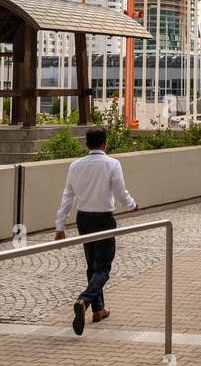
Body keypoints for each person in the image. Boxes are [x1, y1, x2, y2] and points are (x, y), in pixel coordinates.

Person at [54, 126, 138, 335]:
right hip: (103, 219)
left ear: (86, 143)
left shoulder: (75, 166)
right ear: (105, 143)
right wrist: (132, 205)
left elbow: (68, 196)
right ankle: (84, 299)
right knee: (103, 268)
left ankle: (98, 310)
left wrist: (60, 225)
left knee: (92, 264)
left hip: (83, 219)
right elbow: (120, 192)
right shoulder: (112, 164)